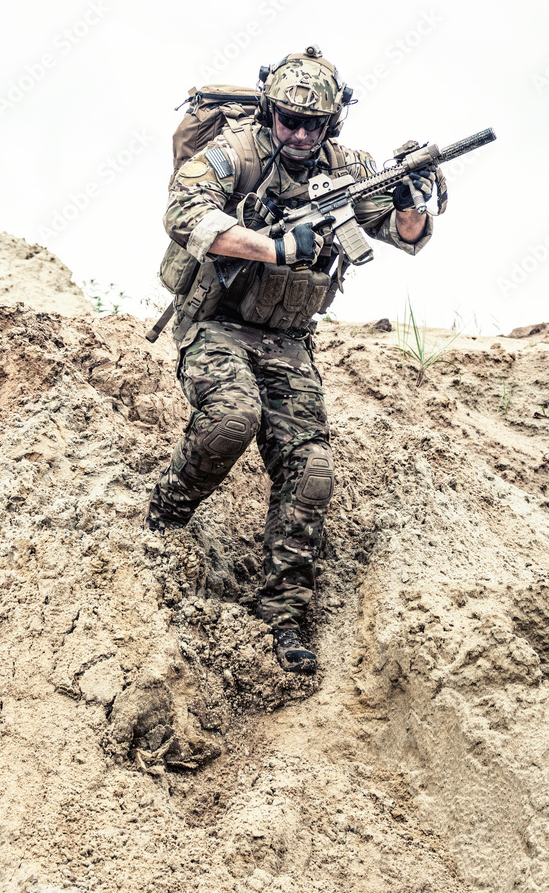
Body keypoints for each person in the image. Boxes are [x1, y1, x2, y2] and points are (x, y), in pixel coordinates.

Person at [146, 46, 434, 675]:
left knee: (311, 469)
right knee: (230, 419)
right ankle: (163, 516)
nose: (300, 134)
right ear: (270, 112)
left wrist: (412, 198)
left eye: (315, 125)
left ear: (333, 125)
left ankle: (284, 610)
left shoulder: (351, 169)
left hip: (287, 339)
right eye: (288, 120)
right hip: (217, 324)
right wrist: (277, 246)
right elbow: (184, 214)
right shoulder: (233, 153)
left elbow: (404, 237)